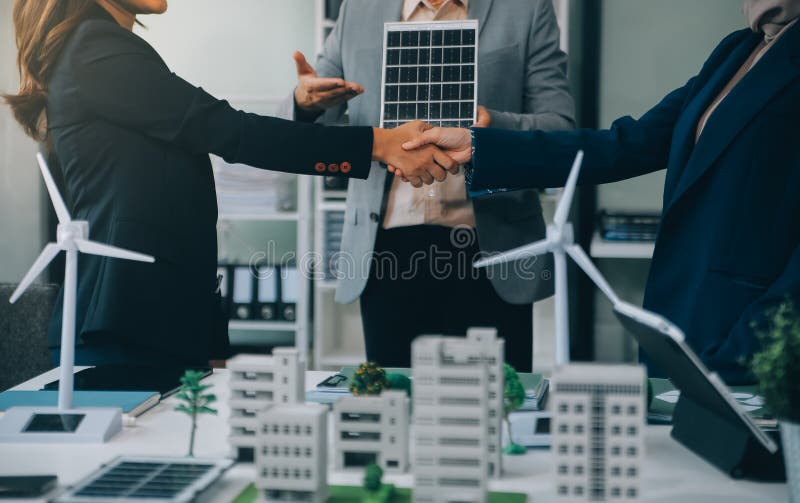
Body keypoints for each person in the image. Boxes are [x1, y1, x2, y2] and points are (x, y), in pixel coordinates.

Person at [3, 0, 457, 367]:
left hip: (151, 313)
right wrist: (378, 144)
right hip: (123, 319)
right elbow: (229, 131)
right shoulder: (95, 48)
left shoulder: (103, 47)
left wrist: (210, 332)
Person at [401, 0, 800, 384]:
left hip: (748, 333)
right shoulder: (739, 50)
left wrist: (759, 341)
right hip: (683, 315)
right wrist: (479, 145)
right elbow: (624, 145)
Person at [287, 0, 575, 371]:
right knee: (395, 407)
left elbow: (560, 128)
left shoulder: (526, 9)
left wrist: (494, 126)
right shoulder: (358, 8)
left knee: (495, 408)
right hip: (385, 251)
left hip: (493, 249)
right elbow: (316, 113)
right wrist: (304, 103)